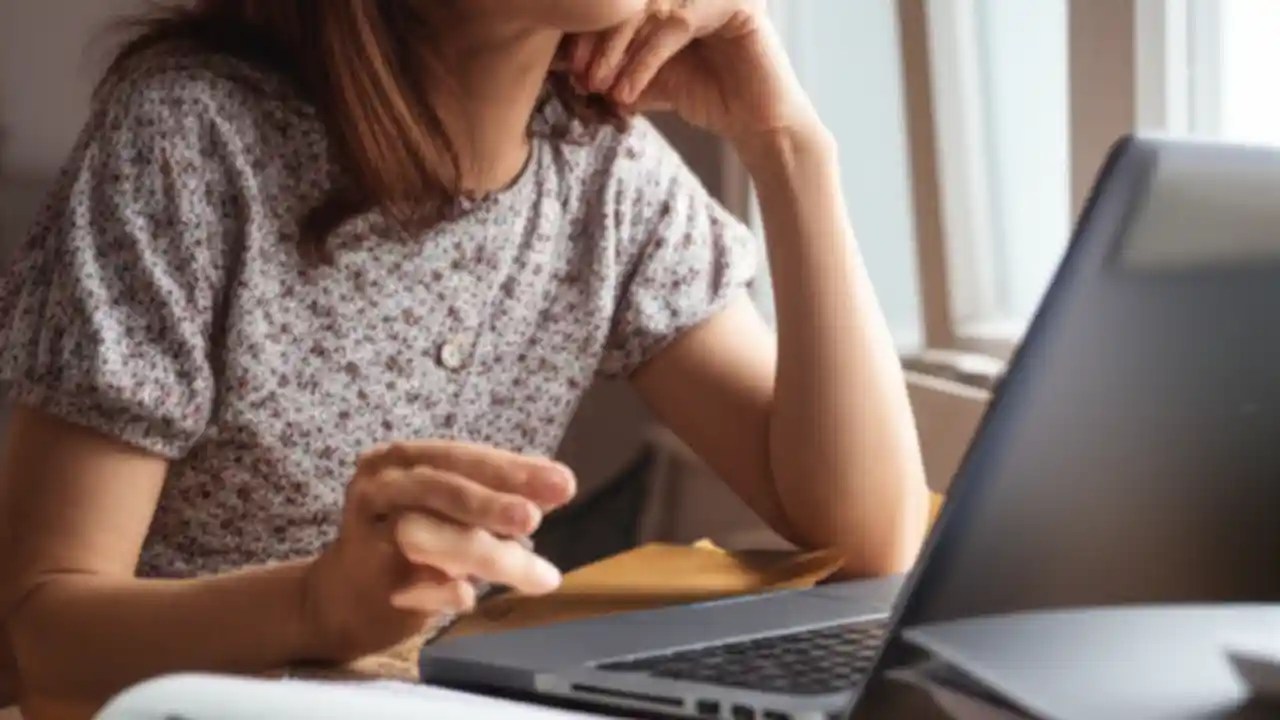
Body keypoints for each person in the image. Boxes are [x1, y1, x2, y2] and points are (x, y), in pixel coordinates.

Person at [0, 0, 930, 713]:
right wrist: (319, 604)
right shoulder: (188, 141)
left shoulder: (606, 179)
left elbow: (868, 534)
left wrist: (789, 144)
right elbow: (38, 629)